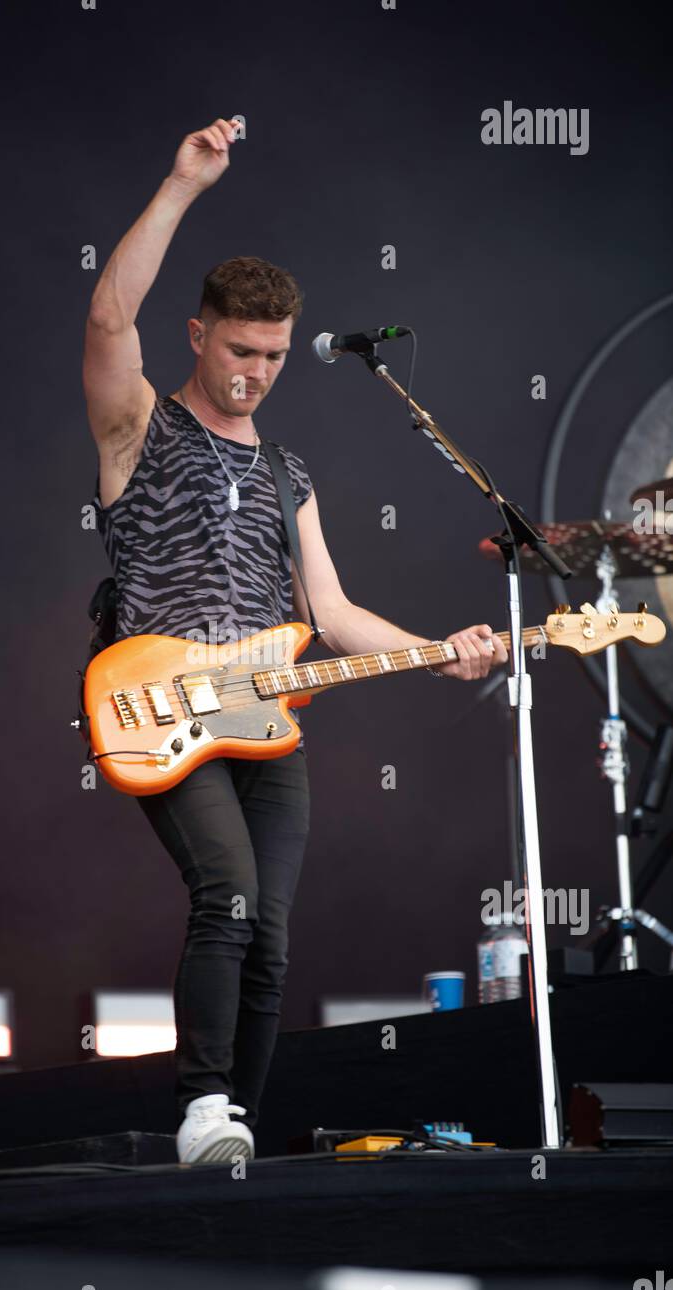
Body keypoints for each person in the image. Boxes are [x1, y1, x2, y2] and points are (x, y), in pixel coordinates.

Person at [82, 117, 508, 1164]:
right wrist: (183, 184)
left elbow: (329, 613)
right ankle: (198, 1107)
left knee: (268, 933)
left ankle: (237, 1137)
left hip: (265, 714)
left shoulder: (289, 472)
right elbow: (105, 316)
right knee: (221, 893)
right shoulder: (139, 424)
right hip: (162, 703)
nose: (255, 372)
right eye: (238, 349)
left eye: (272, 355)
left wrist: (434, 645)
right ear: (197, 334)